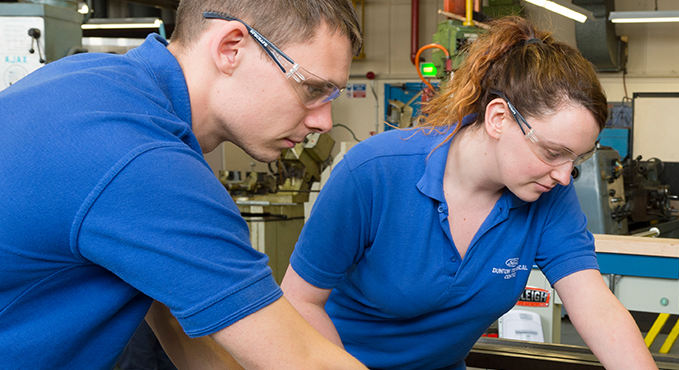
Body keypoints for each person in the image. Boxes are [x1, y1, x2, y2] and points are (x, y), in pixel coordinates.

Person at [0, 0, 368, 369]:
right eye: (312, 89)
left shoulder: (95, 81)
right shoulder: (140, 156)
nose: (323, 121)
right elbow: (301, 360)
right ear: (231, 48)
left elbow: (181, 320)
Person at [281, 17, 659, 370]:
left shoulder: (548, 193)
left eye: (576, 158)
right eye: (553, 152)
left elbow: (595, 306)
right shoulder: (375, 172)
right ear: (498, 118)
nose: (564, 175)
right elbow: (300, 301)